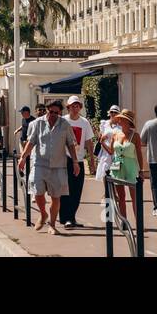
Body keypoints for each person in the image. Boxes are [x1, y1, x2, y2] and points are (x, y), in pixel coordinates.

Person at [17, 99, 80, 235]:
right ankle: (43, 213)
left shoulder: (65, 125)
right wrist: (23, 157)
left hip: (58, 165)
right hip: (40, 163)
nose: (53, 114)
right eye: (50, 111)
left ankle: (52, 224)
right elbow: (31, 142)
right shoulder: (37, 123)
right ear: (46, 110)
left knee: (56, 197)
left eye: (56, 112)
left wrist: (75, 162)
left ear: (60, 112)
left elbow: (70, 144)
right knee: (37, 190)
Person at [101, 109, 145, 221]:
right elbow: (111, 152)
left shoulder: (135, 136)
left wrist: (141, 170)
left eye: (121, 119)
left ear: (127, 121)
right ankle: (123, 220)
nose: (119, 120)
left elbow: (139, 155)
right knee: (121, 197)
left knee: (134, 197)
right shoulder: (116, 134)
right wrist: (101, 142)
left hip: (130, 166)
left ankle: (138, 223)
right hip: (117, 164)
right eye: (119, 118)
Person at [60, 95, 95, 228]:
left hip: (79, 160)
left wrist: (91, 160)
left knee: (77, 190)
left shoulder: (84, 122)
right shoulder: (63, 121)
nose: (75, 108)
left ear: (80, 107)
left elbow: (89, 142)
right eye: (72, 106)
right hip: (65, 159)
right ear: (68, 108)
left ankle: (72, 217)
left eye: (77, 106)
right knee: (65, 190)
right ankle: (65, 218)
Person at [94, 105, 121, 182]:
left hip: (116, 153)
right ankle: (107, 193)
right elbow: (100, 137)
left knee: (115, 175)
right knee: (105, 173)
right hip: (105, 152)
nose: (113, 114)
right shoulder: (104, 124)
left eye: (115, 112)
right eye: (111, 112)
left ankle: (114, 193)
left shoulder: (120, 126)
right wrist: (100, 137)